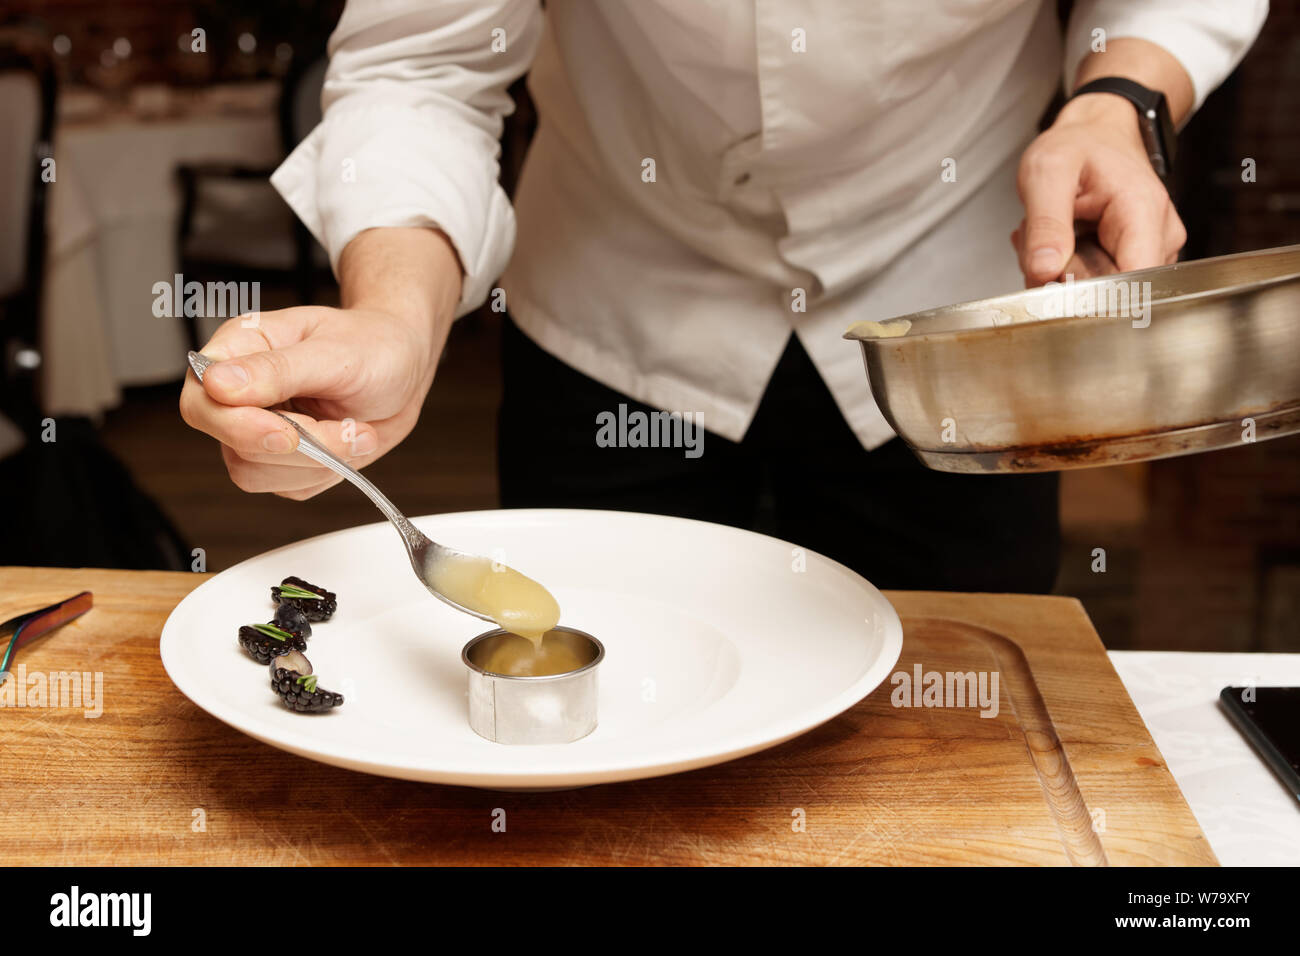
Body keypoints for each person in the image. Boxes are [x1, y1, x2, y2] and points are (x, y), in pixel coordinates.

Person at [179, 0, 1266, 591]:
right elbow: (423, 63)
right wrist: (397, 314)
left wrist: (1119, 96)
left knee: (951, 728)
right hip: (619, 299)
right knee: (595, 711)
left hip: (954, 302)